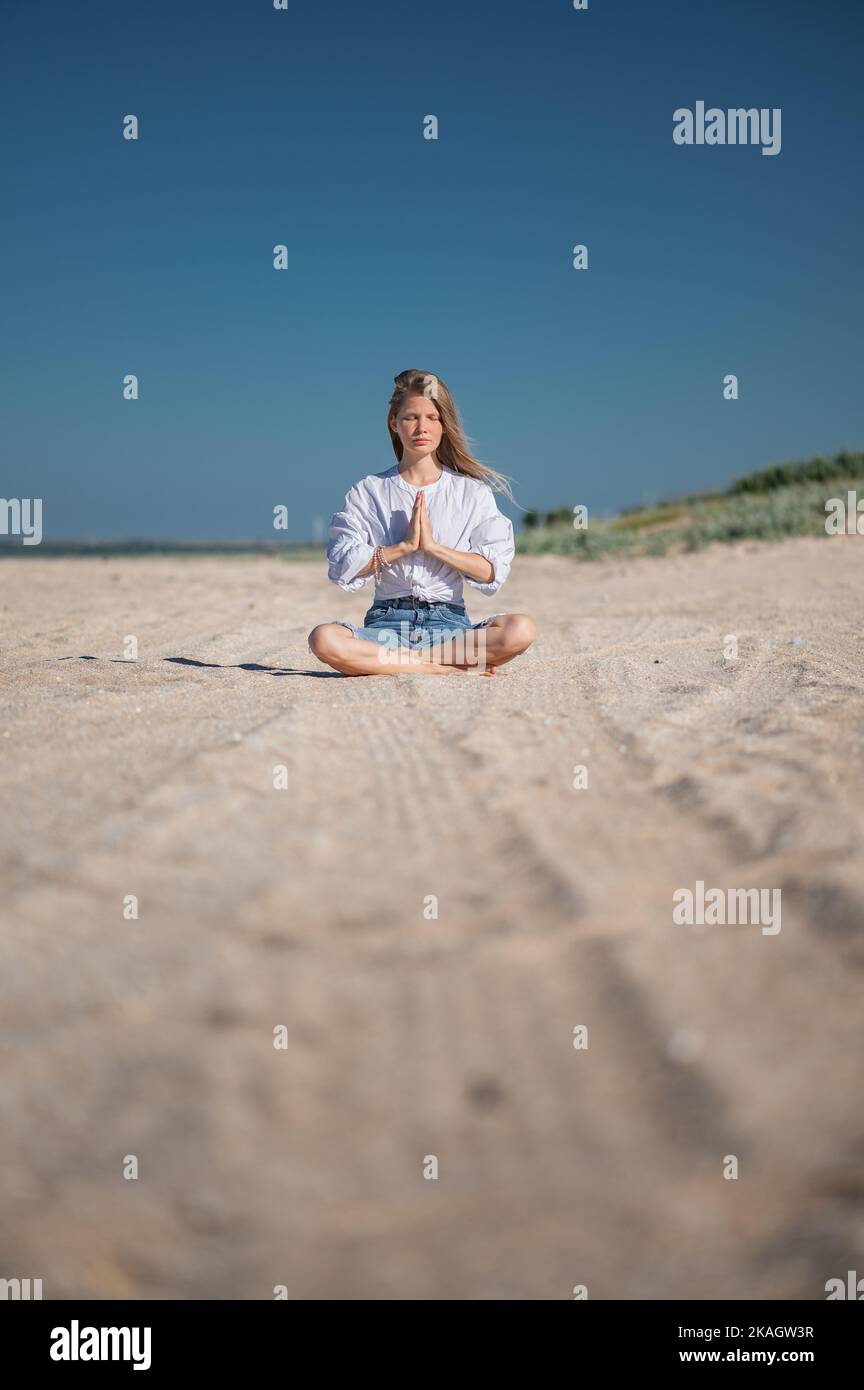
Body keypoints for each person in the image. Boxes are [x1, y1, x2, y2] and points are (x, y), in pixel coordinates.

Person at [308, 369, 536, 676]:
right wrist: (402, 548)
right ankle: (439, 668)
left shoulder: (472, 492)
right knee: (323, 639)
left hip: (449, 629)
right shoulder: (369, 490)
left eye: (432, 418)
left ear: (444, 425)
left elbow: (492, 571)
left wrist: (434, 548)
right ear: (394, 422)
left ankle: (414, 662)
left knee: (520, 629)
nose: (421, 428)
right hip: (387, 627)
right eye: (411, 417)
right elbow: (341, 566)